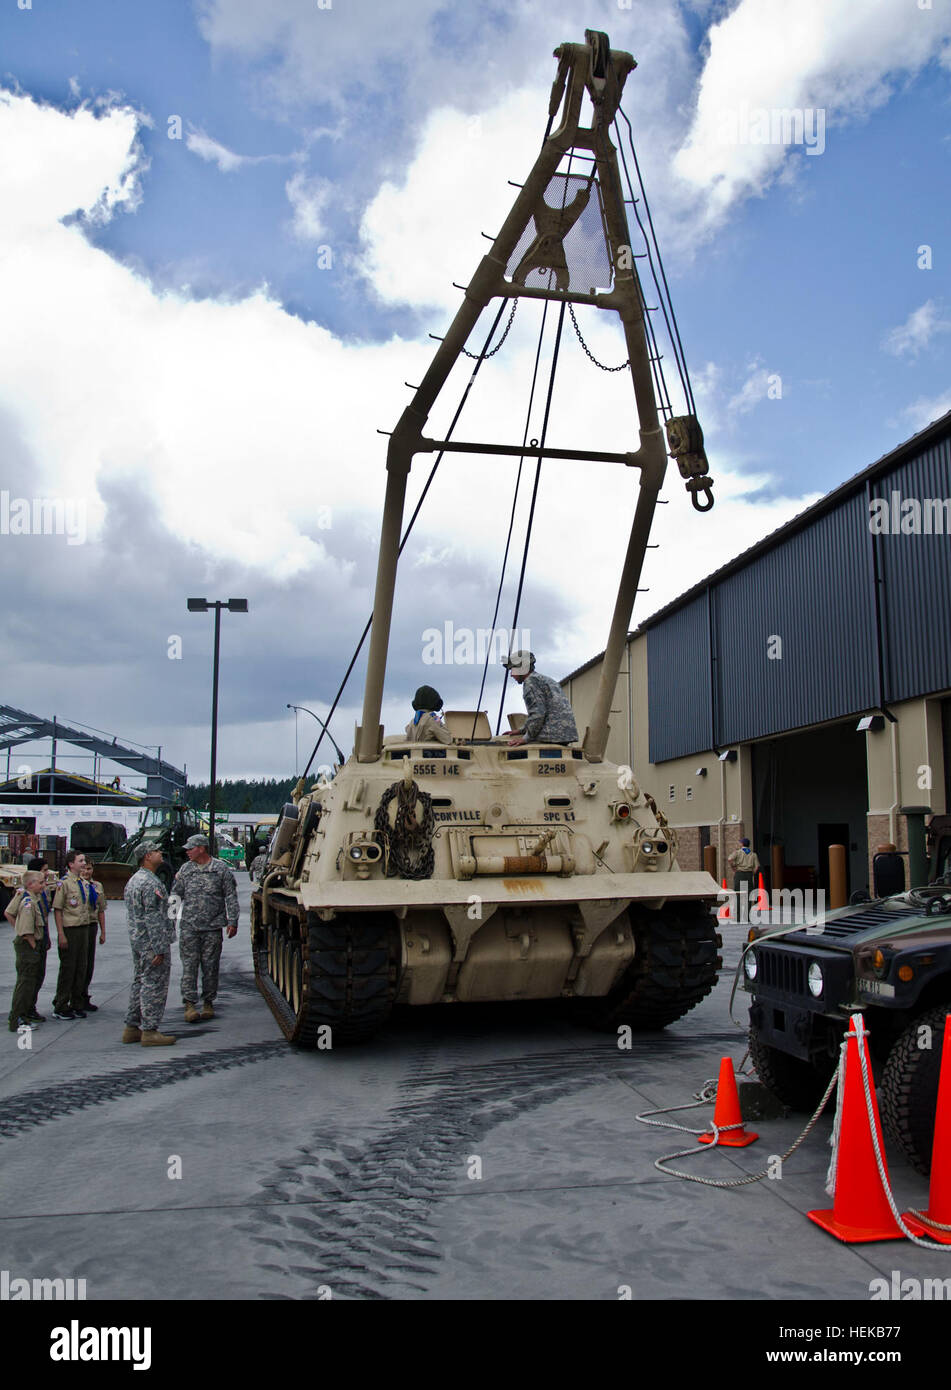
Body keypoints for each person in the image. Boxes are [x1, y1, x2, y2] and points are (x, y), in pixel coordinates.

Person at [171, 834, 239, 1023]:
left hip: (212, 927)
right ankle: (190, 1004)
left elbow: (230, 896)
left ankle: (208, 1001)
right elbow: (175, 895)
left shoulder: (220, 869)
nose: (187, 851)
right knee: (189, 966)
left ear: (201, 848)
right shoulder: (185, 869)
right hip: (189, 927)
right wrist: (170, 922)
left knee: (210, 966)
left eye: (190, 848)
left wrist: (233, 921)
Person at [123, 843, 176, 1046]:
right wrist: (159, 948)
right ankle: (150, 1030)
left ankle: (131, 1027)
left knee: (140, 981)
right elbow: (153, 918)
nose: (160, 853)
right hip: (151, 941)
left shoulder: (134, 880)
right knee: (154, 984)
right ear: (147, 856)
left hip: (138, 940)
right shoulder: (150, 883)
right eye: (156, 851)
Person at [6, 870, 52, 1032]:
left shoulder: (34, 898)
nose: (44, 885)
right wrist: (33, 946)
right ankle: (18, 1018)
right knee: (25, 984)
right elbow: (26, 931)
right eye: (41, 882)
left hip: (32, 943)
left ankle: (25, 1014)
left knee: (30, 982)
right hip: (28, 945)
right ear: (31, 884)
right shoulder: (28, 903)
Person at [501, 651, 578, 745]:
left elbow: (538, 713)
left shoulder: (530, 682)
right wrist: (522, 730)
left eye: (512, 669)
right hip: (564, 735)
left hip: (550, 736)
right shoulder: (546, 680)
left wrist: (526, 738)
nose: (511, 675)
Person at [51, 850, 91, 1021]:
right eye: (80, 861)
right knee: (68, 968)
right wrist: (61, 934)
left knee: (81, 967)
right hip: (70, 929)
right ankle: (61, 1005)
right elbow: (58, 910)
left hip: (83, 928)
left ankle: (77, 1003)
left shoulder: (83, 883)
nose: (83, 864)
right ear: (71, 864)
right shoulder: (64, 884)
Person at [78, 858, 106, 1013]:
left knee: (89, 964)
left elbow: (101, 910)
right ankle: (73, 998)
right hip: (78, 926)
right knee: (77, 965)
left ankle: (84, 996)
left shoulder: (97, 886)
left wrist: (103, 932)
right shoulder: (73, 885)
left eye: (89, 869)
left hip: (91, 926)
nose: (86, 872)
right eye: (83, 869)